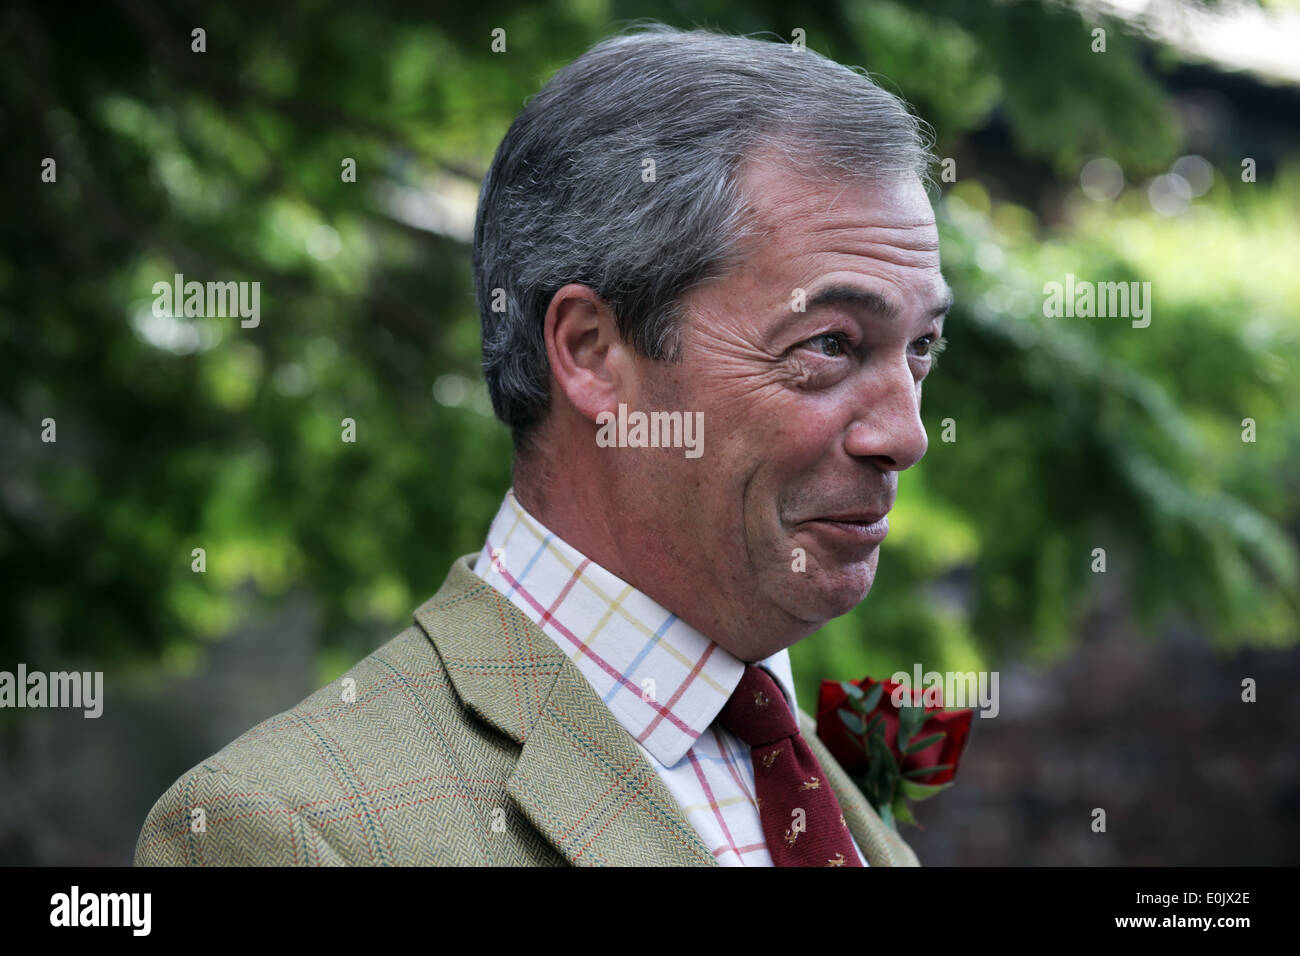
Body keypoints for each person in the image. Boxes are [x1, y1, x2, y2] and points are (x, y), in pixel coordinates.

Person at [135, 23, 950, 867]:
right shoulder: (282, 831)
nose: (907, 434)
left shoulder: (821, 784)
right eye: (830, 344)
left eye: (921, 348)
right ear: (593, 352)